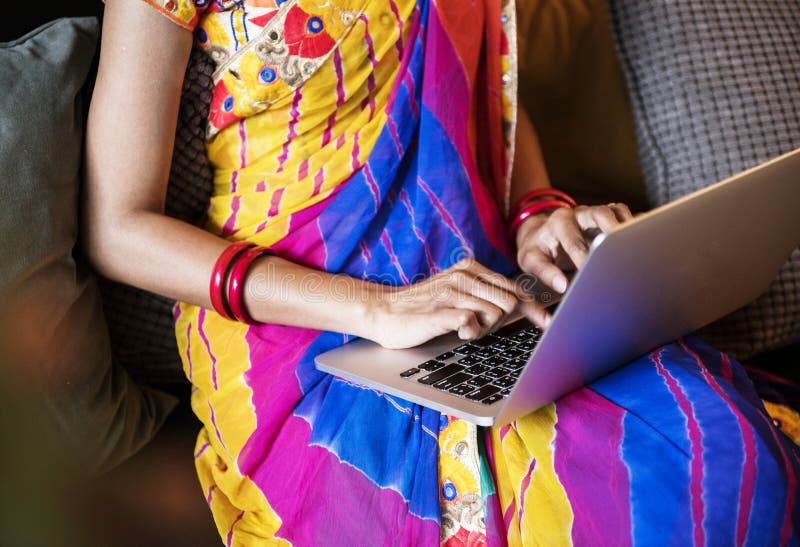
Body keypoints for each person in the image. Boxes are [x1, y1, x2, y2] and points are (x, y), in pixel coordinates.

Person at [83, 0, 799, 543]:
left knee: (733, 470)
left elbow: (487, 86)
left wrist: (537, 216)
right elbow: (118, 228)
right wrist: (376, 308)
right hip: (298, 330)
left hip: (486, 297)